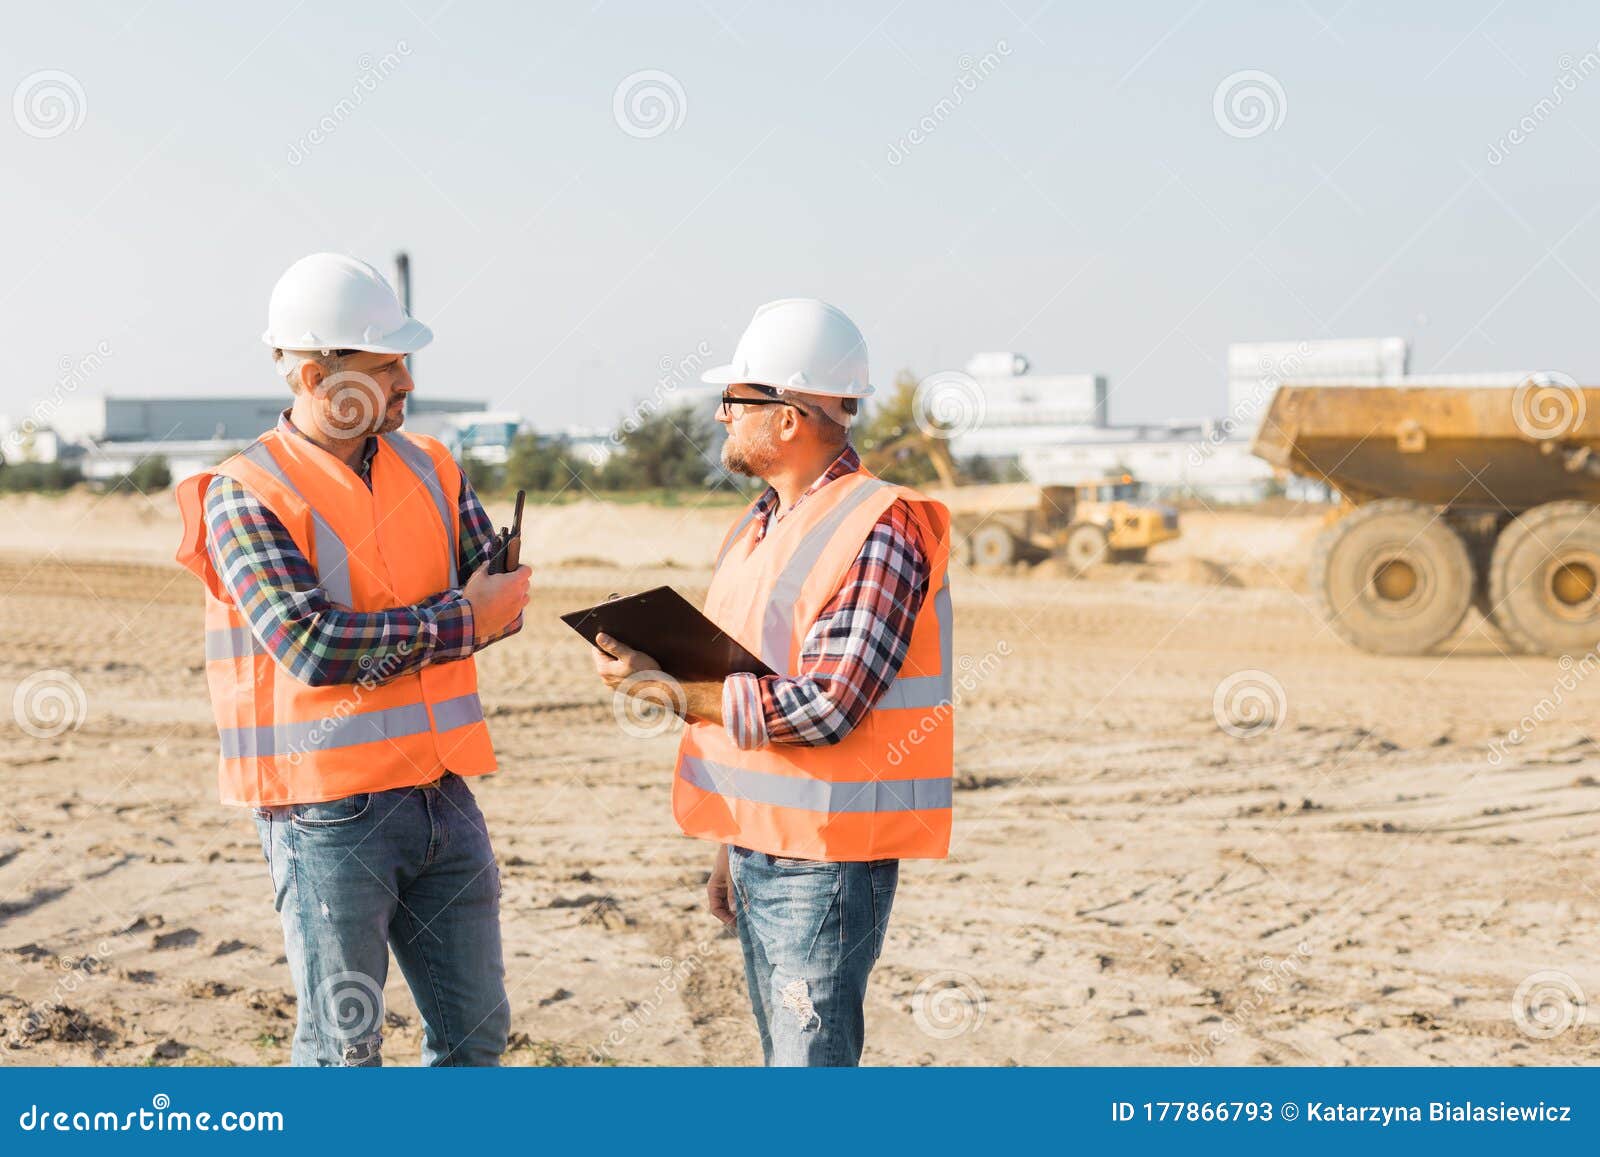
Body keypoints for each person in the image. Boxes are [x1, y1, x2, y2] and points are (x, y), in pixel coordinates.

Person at [173, 253, 531, 1066]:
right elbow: (312, 644)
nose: (407, 381)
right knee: (344, 1050)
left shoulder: (431, 465)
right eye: (387, 365)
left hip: (442, 792)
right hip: (326, 813)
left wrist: (484, 610)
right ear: (314, 374)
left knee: (476, 1036)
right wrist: (466, 617)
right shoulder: (245, 491)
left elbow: (496, 602)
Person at [591, 298, 955, 1066]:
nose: (721, 414)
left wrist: (672, 691)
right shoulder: (758, 524)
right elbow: (746, 675)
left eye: (735, 398)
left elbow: (827, 705)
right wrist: (733, 841)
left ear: (788, 418)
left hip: (824, 862)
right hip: (763, 846)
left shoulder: (879, 526)